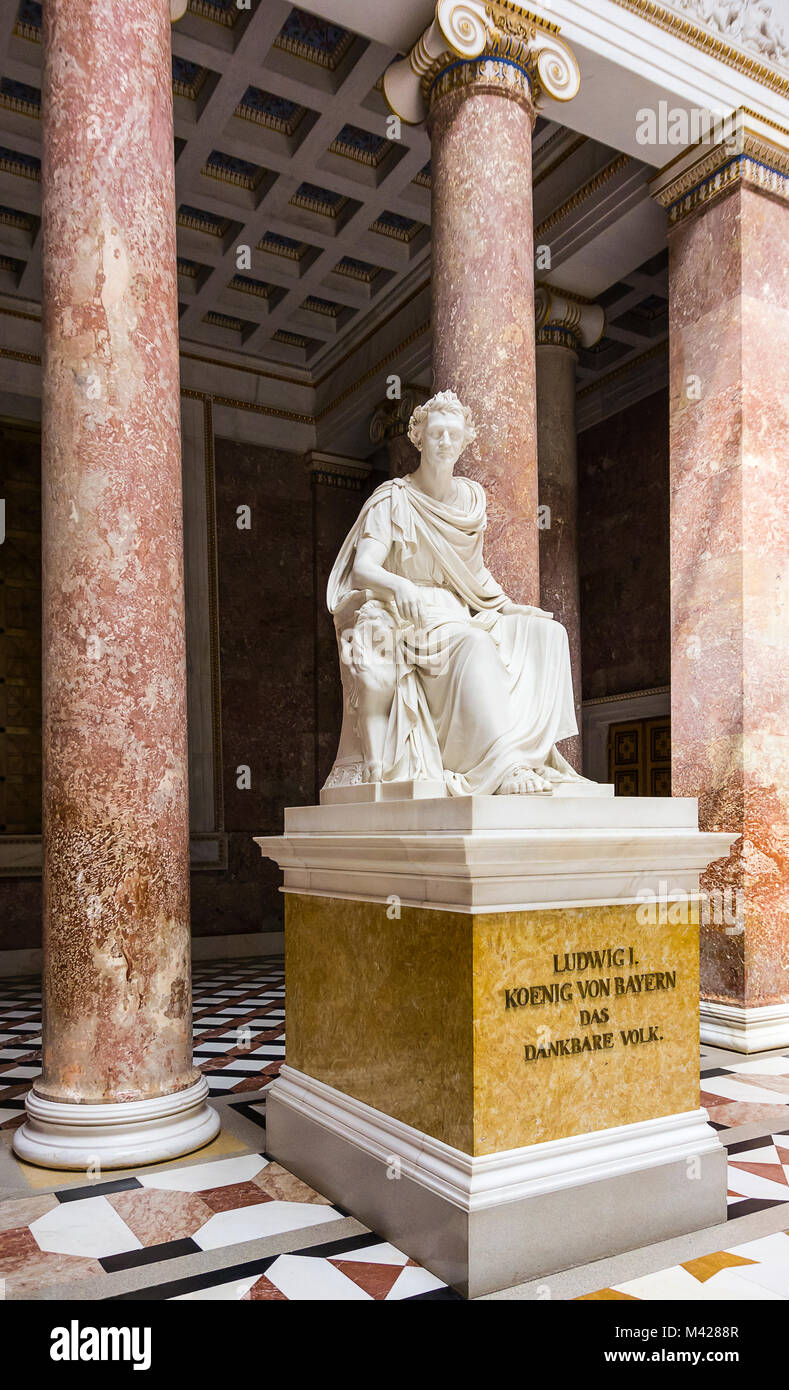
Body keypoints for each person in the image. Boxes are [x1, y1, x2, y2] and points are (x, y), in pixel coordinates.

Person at [324, 389, 586, 796]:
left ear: (465, 440)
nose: (444, 442)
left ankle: (534, 757)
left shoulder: (470, 500)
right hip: (412, 616)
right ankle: (504, 766)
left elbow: (474, 573)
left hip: (460, 609)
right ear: (419, 439)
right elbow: (362, 569)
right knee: (475, 644)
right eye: (435, 434)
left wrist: (510, 607)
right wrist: (399, 584)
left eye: (452, 434)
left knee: (547, 635)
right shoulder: (393, 498)